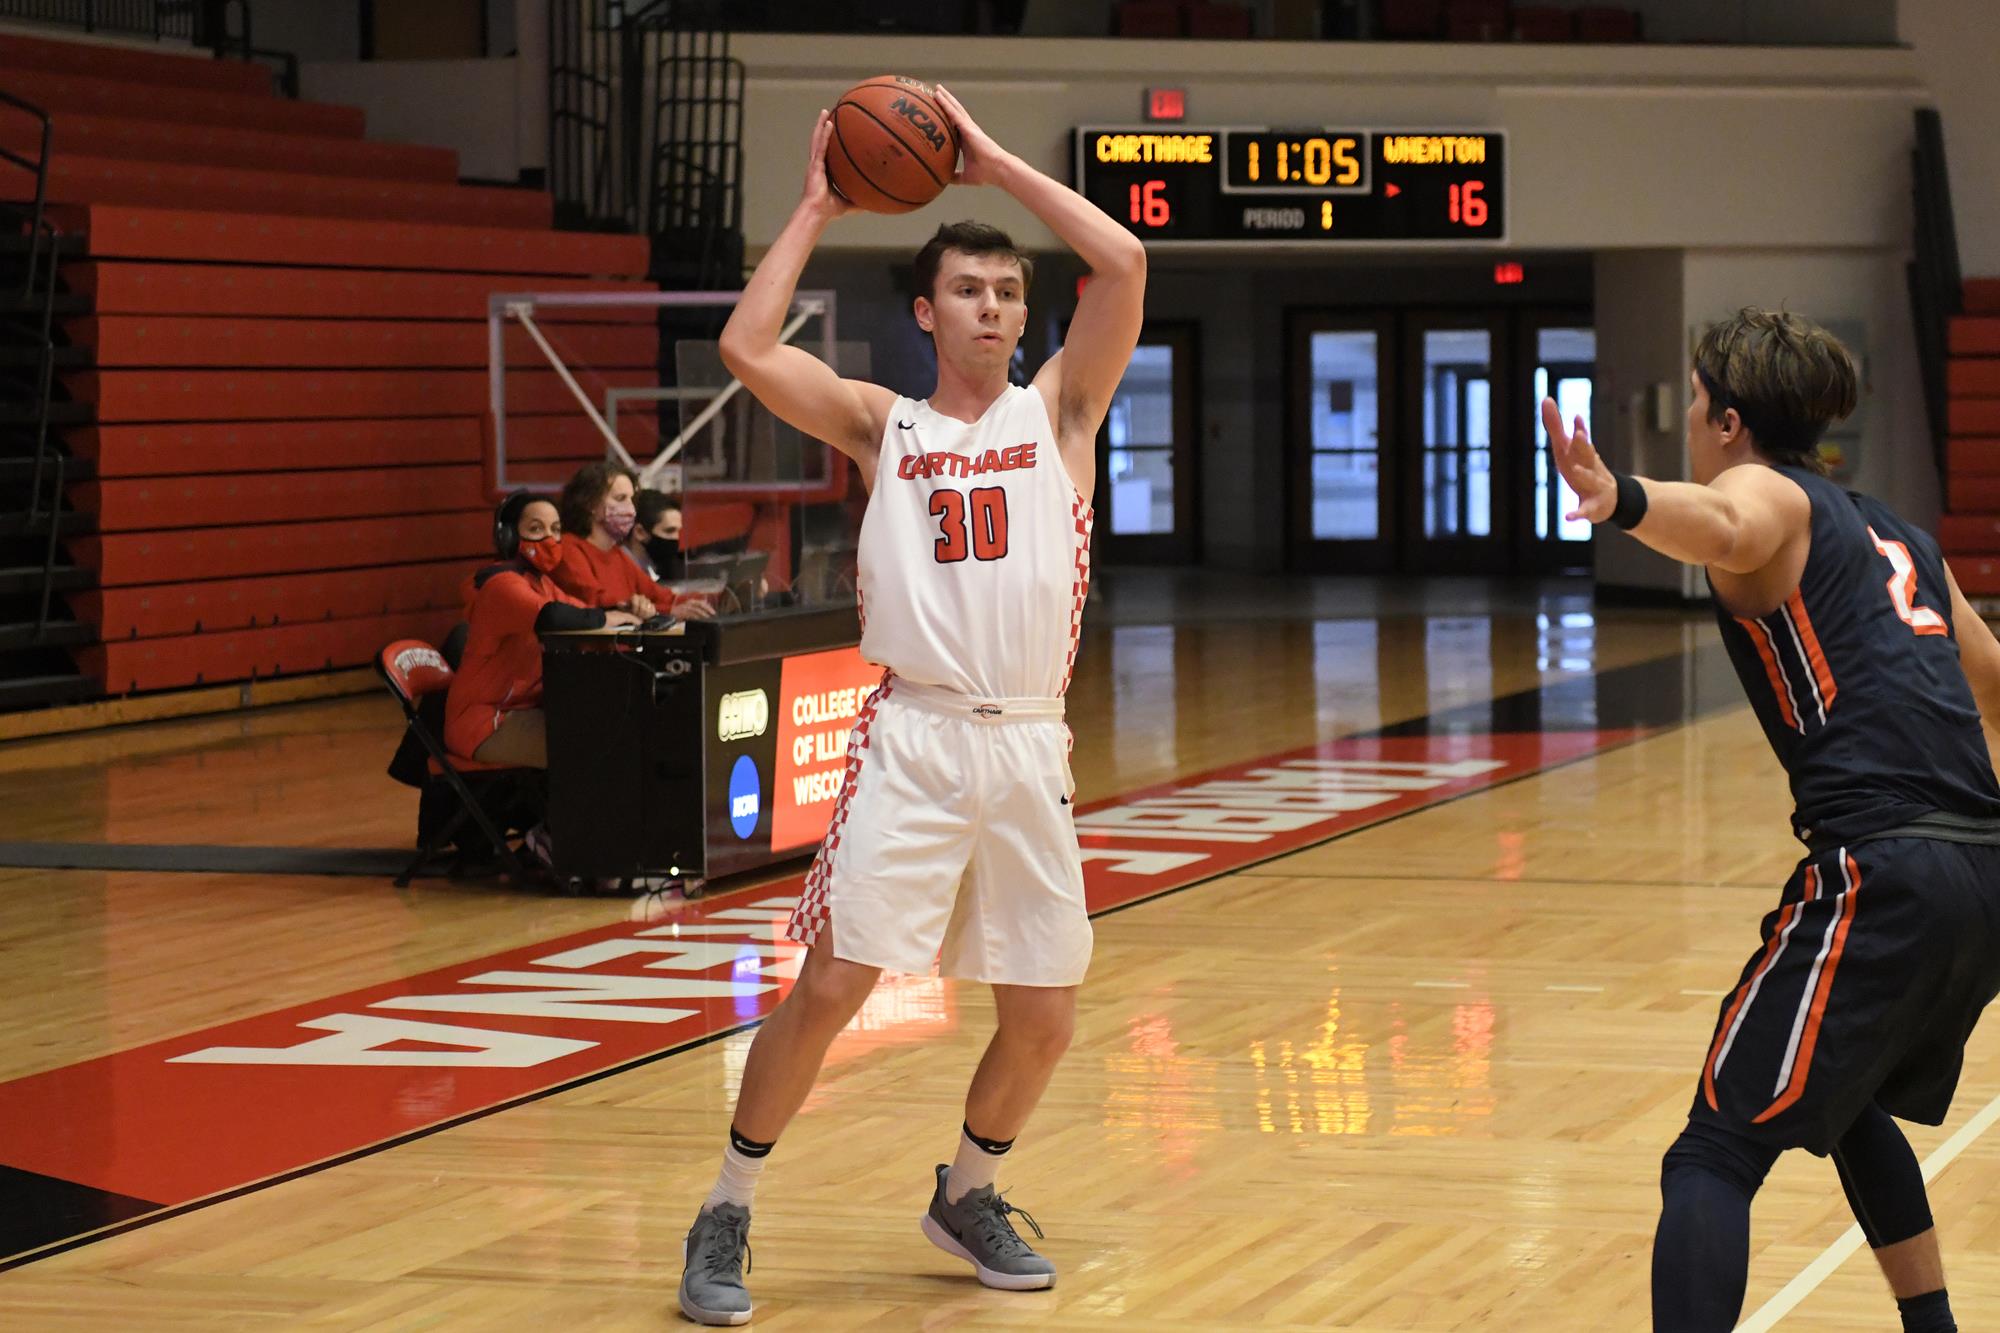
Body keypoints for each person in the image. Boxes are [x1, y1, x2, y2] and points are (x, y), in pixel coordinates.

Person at [673, 89, 1144, 1326]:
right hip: (916, 737)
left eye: (1007, 291)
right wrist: (814, 207)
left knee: (1043, 1017)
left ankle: (966, 1193)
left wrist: (992, 163)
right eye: (967, 290)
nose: (991, 306)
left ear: (1025, 315)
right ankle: (725, 1207)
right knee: (832, 986)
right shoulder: (887, 426)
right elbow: (746, 348)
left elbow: (1124, 261)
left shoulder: (1062, 411)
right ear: (926, 313)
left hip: (1028, 740)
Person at [1547, 308, 2000, 1333]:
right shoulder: (1901, 536)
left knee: (1712, 1150)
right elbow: (1993, 683)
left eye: (1696, 400)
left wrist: (1617, 497)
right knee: (1847, 1099)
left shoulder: (1766, 492)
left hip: (1887, 869)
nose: (1690, 418)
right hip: (1981, 867)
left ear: (1728, 422)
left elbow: (1721, 524)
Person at [444, 492, 638, 771]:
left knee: (613, 729)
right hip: (483, 721)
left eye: (555, 529)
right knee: (598, 750)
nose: (549, 538)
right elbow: (553, 616)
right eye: (536, 529)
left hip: (524, 708)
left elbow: (581, 613)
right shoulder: (501, 585)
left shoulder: (542, 583)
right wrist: (606, 617)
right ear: (508, 536)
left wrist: (624, 612)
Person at [630, 487, 686, 581]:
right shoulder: (621, 572)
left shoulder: (651, 568)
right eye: (669, 531)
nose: (676, 538)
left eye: (678, 531)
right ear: (640, 532)